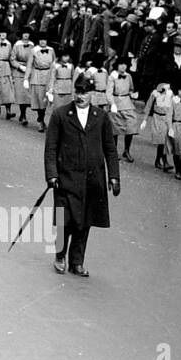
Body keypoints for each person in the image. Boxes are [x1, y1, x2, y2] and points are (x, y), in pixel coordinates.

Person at [44, 73, 120, 278]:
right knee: (64, 221)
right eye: (77, 92)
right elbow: (50, 147)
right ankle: (60, 256)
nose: (80, 96)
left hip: (91, 180)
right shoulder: (60, 115)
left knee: (84, 222)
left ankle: (77, 262)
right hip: (65, 178)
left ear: (92, 94)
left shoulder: (101, 117)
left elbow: (110, 149)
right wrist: (52, 174)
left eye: (84, 93)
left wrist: (114, 176)